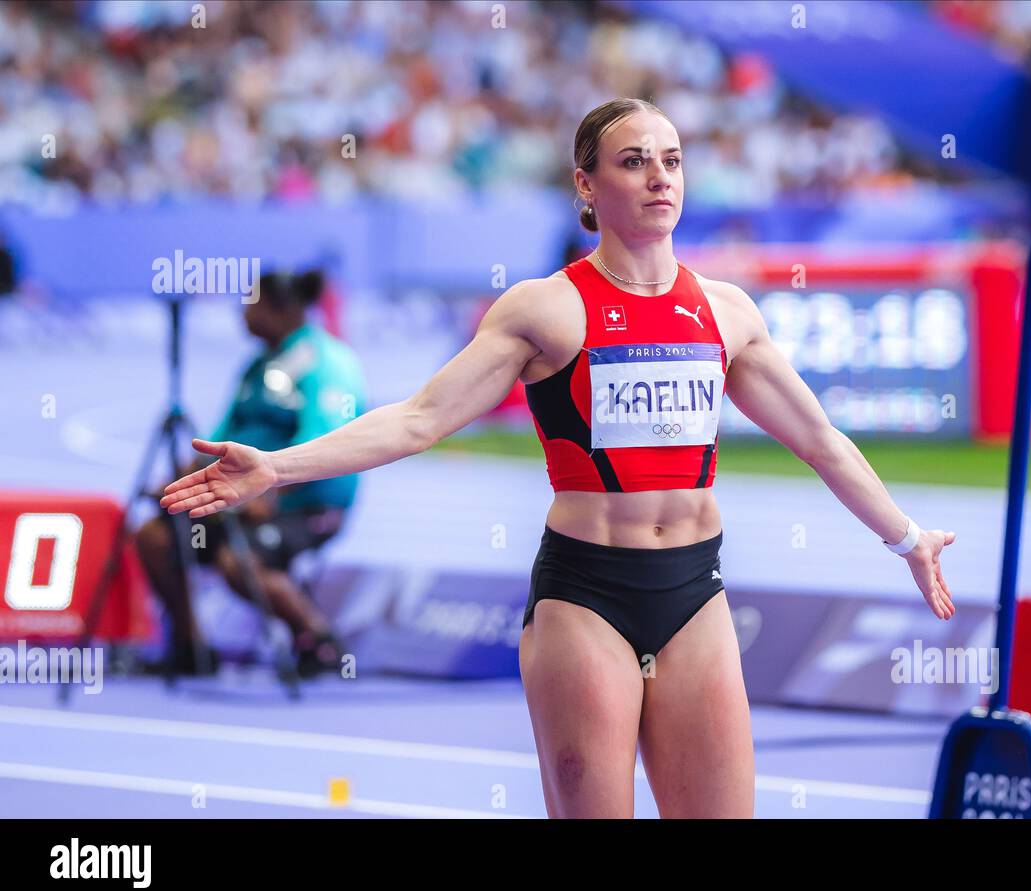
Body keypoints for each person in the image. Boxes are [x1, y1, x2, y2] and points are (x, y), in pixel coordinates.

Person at [160, 98, 957, 818]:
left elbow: (820, 440)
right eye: (633, 161)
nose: (659, 178)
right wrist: (277, 466)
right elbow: (419, 420)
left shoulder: (726, 312)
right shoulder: (547, 307)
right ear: (586, 186)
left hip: (695, 593)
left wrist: (904, 537)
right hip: (586, 597)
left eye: (672, 160)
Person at [137, 269, 366, 678]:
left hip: (305, 504)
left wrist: (270, 493)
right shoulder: (257, 367)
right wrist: (179, 485)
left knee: (236, 563)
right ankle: (193, 649)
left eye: (249, 303)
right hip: (240, 499)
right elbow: (219, 440)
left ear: (279, 308)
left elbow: (325, 442)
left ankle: (319, 640)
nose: (241, 313)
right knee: (154, 537)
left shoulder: (328, 362)